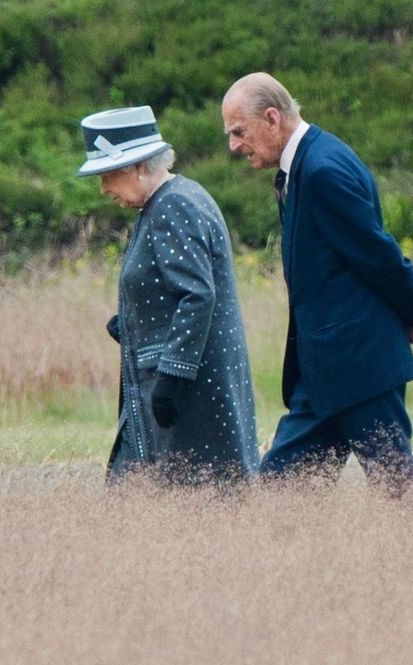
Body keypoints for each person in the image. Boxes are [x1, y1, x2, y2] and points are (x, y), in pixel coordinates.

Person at [220, 72, 413, 497]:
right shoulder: (314, 159)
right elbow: (364, 255)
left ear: (272, 118)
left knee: (397, 496)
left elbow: (377, 254)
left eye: (239, 132)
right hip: (325, 371)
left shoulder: (321, 169)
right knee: (279, 495)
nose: (234, 146)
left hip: (360, 369)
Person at [76, 105, 259, 485]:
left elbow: (197, 294)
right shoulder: (177, 198)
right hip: (178, 384)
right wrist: (130, 322)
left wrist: (173, 375)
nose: (104, 189)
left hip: (186, 391)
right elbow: (168, 289)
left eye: (107, 176)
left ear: (137, 167)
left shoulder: (173, 205)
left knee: (183, 499)